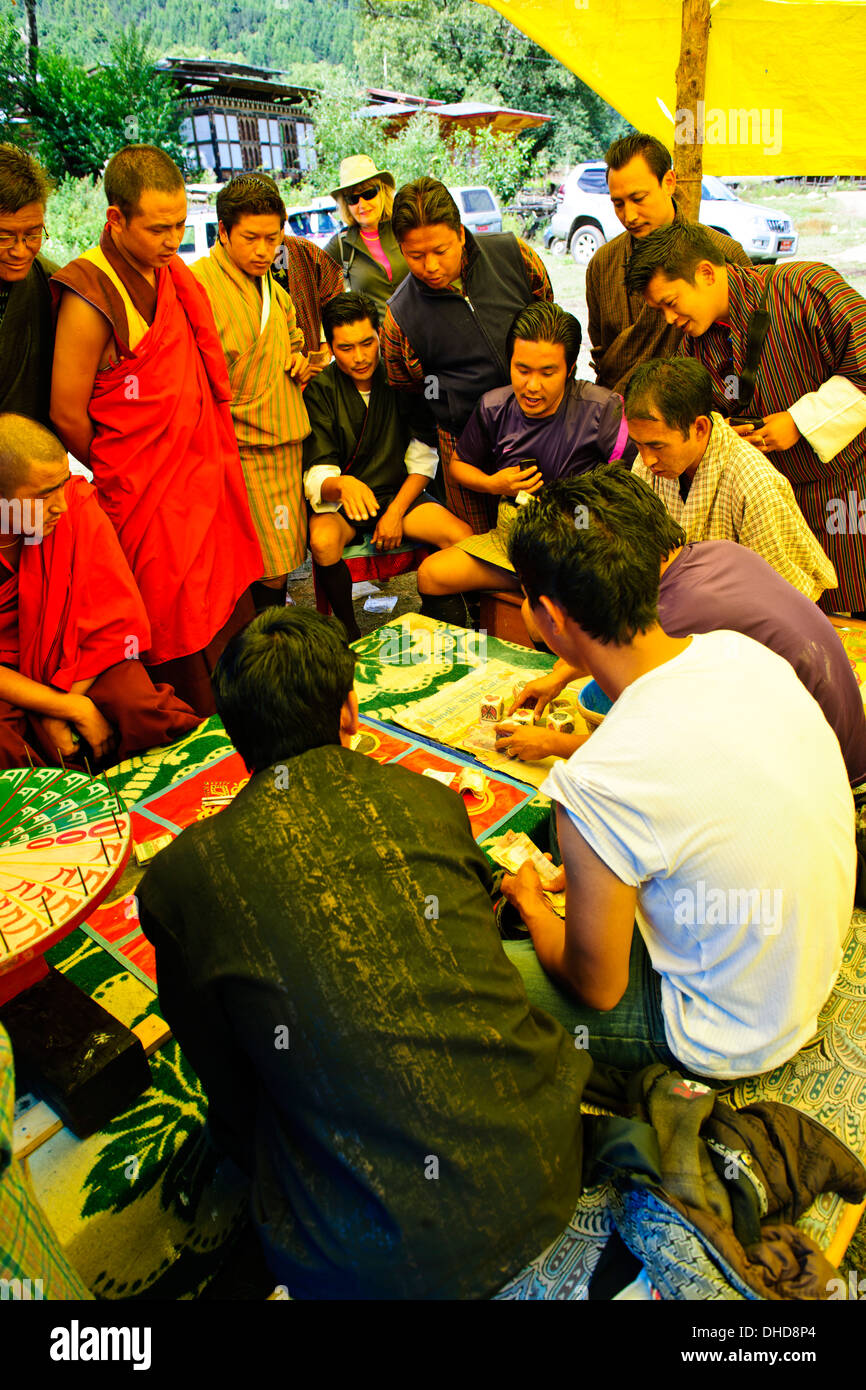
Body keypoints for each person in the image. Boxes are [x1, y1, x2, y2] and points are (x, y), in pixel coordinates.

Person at [137, 605, 596, 1300]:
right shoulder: (424, 799)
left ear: (233, 738)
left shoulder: (180, 878)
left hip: (368, 1260)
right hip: (548, 1160)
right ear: (351, 710)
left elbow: (228, 1086)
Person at [499, 476, 855, 1080]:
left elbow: (597, 987)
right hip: (802, 971)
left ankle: (646, 1082)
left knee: (481, 969)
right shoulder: (741, 653)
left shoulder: (593, 782)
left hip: (726, 1032)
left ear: (549, 617)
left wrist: (532, 905)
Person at [49, 145, 262, 715]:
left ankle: (244, 714)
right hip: (142, 487)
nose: (172, 242)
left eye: (180, 227)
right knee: (169, 614)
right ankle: (188, 727)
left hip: (197, 473)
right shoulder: (90, 293)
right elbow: (67, 411)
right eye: (158, 229)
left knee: (224, 606)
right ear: (115, 219)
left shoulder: (171, 279)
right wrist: (128, 471)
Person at [499, 465, 866, 791]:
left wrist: (550, 743)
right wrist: (561, 676)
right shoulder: (714, 552)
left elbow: (646, 749)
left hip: (829, 781)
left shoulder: (671, 618)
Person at [625, 219, 866, 616]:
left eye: (670, 303)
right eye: (658, 310)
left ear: (705, 272)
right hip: (760, 506)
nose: (668, 319)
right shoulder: (694, 343)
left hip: (843, 493)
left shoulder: (804, 288)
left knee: (849, 622)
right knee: (785, 617)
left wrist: (800, 421)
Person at [0, 415, 199, 769]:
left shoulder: (76, 506)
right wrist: (68, 707)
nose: (61, 505)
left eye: (62, 484)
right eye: (44, 496)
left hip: (80, 658)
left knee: (138, 707)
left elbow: (117, 622)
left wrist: (61, 710)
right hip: (8, 679)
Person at [416, 301, 632, 619]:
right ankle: (469, 653)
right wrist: (493, 483)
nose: (532, 386)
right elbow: (458, 465)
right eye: (522, 370)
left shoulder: (603, 410)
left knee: (545, 606)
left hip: (577, 545)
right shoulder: (494, 406)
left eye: (548, 373)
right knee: (432, 574)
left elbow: (633, 482)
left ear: (569, 369)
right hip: (511, 540)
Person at [382, 177, 554, 532]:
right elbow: (411, 390)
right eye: (415, 255)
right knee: (477, 546)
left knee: (547, 537)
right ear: (400, 248)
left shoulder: (514, 256)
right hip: (464, 446)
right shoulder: (400, 316)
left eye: (440, 251)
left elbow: (550, 323)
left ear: (460, 233)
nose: (430, 266)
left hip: (542, 427)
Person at [302, 292, 471, 639]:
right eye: (346, 348)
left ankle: (439, 614)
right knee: (321, 541)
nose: (361, 357)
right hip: (343, 502)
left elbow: (424, 453)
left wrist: (395, 511)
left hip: (399, 493)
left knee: (462, 536)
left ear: (380, 335)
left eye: (368, 343)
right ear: (330, 347)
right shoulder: (320, 390)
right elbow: (317, 469)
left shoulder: (401, 379)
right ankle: (350, 632)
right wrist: (343, 485)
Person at [192, 174, 311, 612]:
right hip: (237, 448)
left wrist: (299, 362)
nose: (264, 250)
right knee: (255, 563)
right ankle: (258, 647)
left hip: (284, 444)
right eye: (250, 238)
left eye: (273, 237)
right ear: (222, 232)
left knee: (279, 561)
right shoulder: (196, 287)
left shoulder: (275, 294)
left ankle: (269, 639)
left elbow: (295, 342)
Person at [624, 357, 836, 601]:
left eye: (657, 446)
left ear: (700, 428)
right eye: (638, 445)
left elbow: (785, 598)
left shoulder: (754, 482)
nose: (647, 460)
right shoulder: (644, 465)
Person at [585, 133, 750, 395]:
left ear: (669, 182)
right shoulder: (602, 265)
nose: (629, 216)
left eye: (639, 199)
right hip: (622, 415)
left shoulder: (722, 254)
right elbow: (604, 353)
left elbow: (748, 350)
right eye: (618, 204)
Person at [0, 145, 57, 426]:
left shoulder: (53, 286)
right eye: (4, 237)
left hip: (30, 460)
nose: (20, 251)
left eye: (33, 235)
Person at [323, 155, 409, 322]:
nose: (362, 205)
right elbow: (308, 275)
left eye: (369, 193)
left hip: (420, 338)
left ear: (382, 193)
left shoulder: (404, 228)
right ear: (345, 204)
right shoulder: (341, 244)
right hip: (375, 344)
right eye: (353, 199)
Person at [271, 230, 343, 367]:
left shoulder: (305, 250)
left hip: (312, 354)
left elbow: (334, 292)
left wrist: (325, 342)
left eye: (272, 236)